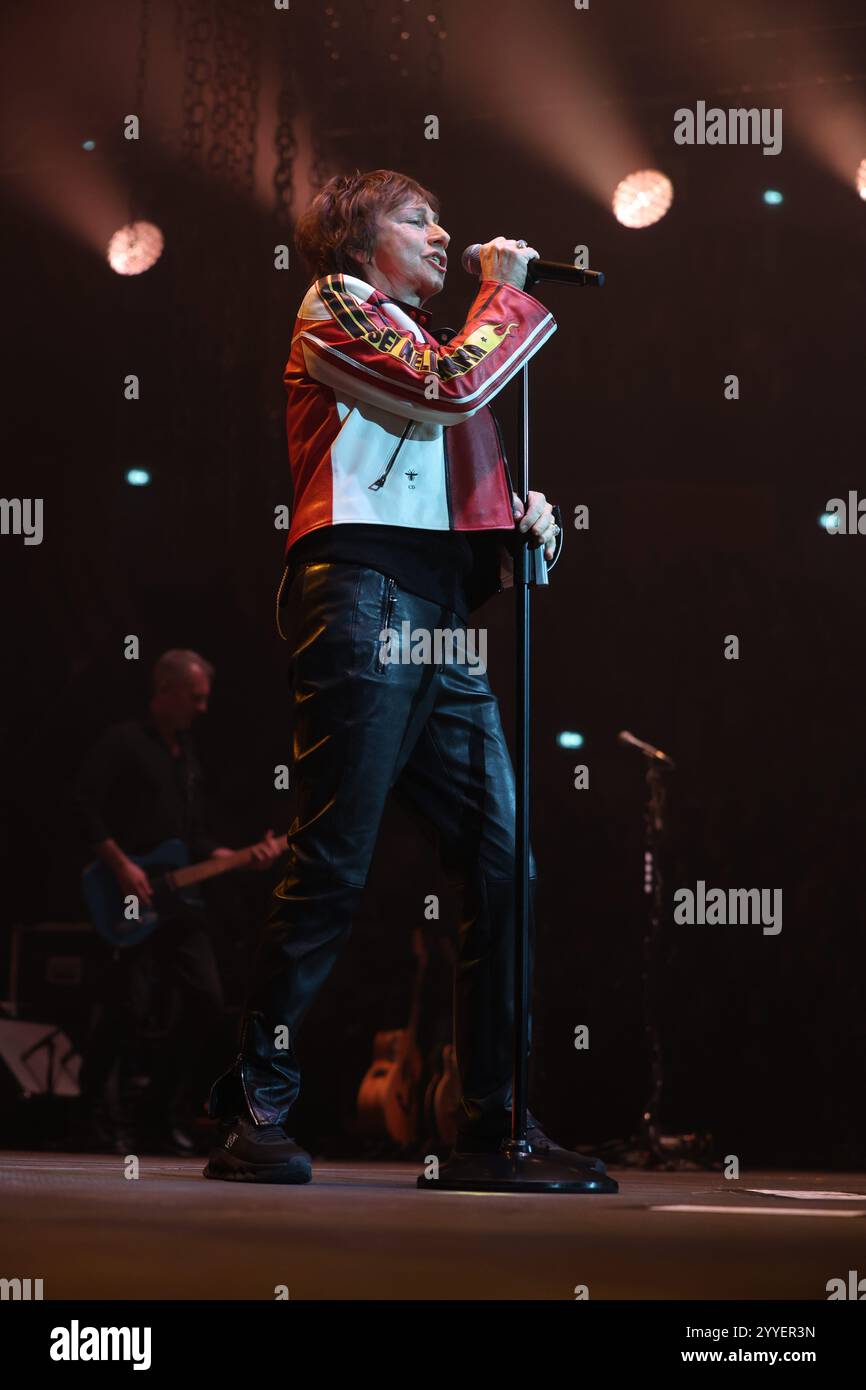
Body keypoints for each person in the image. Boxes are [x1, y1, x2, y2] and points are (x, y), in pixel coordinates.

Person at [205, 168, 607, 1184]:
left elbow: (445, 420)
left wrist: (516, 534)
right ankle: (255, 1105)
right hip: (363, 593)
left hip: (434, 612)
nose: (443, 234)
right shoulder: (335, 305)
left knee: (499, 860)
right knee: (334, 855)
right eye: (416, 218)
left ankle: (492, 1121)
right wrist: (506, 292)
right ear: (357, 238)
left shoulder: (425, 336)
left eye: (440, 214)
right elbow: (448, 388)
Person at [74, 649, 282, 1153]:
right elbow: (83, 806)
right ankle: (90, 1116)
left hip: (180, 904)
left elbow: (195, 837)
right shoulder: (123, 742)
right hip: (127, 895)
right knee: (126, 1007)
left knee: (206, 1002)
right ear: (164, 691)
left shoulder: (187, 757)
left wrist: (239, 858)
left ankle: (154, 1115)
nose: (203, 709)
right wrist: (122, 866)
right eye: (195, 698)